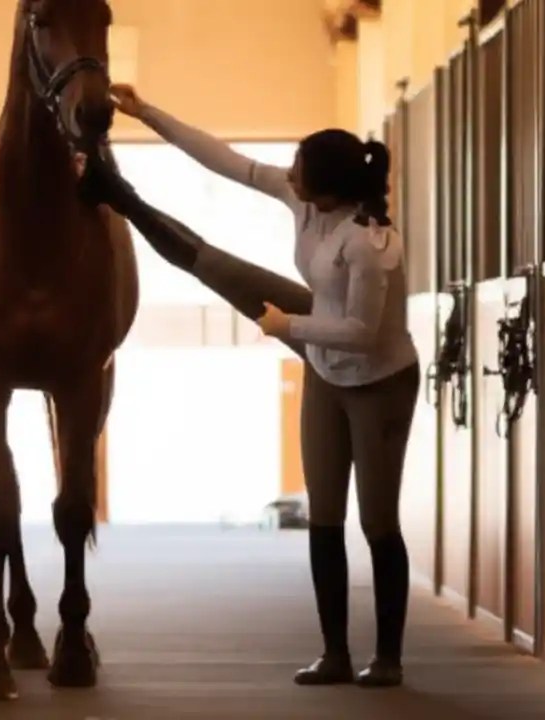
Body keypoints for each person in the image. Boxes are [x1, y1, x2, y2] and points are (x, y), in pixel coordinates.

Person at [80, 85, 421, 688]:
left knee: (377, 520)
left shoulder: (373, 244)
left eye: (298, 168)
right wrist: (148, 113)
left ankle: (388, 657)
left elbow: (364, 333)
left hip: (378, 380)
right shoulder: (307, 205)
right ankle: (335, 652)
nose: (286, 173)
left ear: (329, 185)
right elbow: (224, 160)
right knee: (324, 514)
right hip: (324, 363)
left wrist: (285, 326)